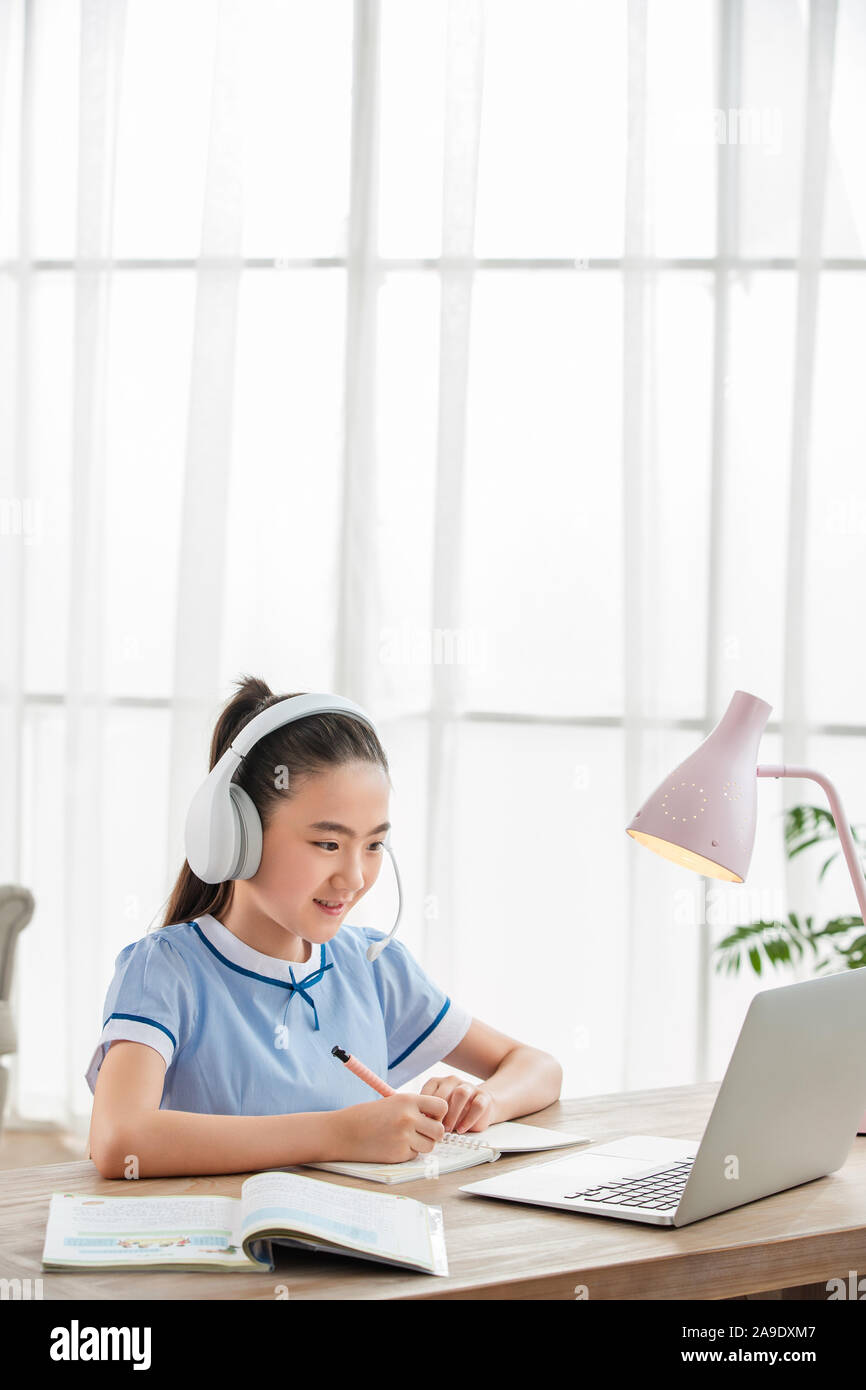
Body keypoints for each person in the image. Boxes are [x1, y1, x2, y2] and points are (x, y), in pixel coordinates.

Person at [86, 675, 562, 1178]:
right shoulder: (166, 969)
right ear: (234, 836)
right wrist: (340, 1133)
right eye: (328, 844)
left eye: (374, 845)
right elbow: (119, 1141)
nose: (354, 878)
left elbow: (539, 1067)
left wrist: (482, 1100)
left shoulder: (375, 966)